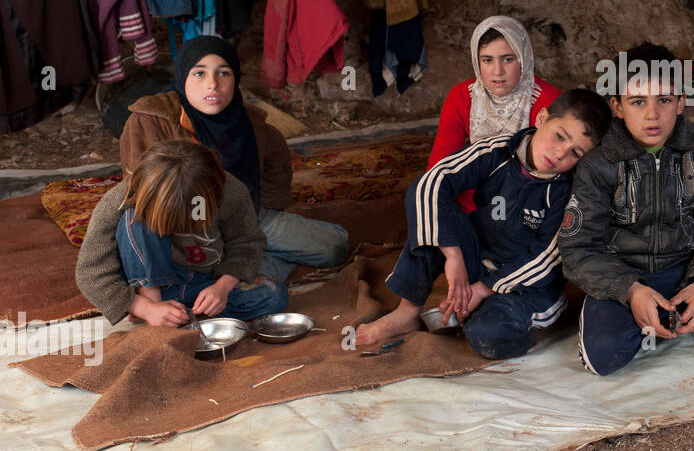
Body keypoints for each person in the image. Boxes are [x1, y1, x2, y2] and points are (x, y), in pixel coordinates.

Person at [559, 43, 694, 375]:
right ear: (617, 106)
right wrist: (629, 291)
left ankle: (684, 311)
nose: (652, 114)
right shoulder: (597, 165)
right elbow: (578, 247)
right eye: (637, 102)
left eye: (664, 99)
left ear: (681, 101)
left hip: (688, 269)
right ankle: (654, 311)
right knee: (600, 357)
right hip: (626, 276)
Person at [356, 89, 612, 358]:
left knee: (489, 333)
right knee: (435, 216)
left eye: (576, 153)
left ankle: (504, 318)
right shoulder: (497, 151)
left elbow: (547, 258)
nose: (560, 153)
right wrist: (453, 256)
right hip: (477, 260)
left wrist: (484, 289)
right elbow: (430, 183)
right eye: (559, 136)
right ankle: (406, 313)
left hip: (525, 285)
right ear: (542, 117)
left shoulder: (569, 191)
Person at [119, 35, 349, 284]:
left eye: (224, 73)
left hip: (245, 217)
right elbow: (140, 192)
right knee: (164, 256)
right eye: (199, 73)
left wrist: (260, 212)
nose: (212, 85)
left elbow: (276, 166)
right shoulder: (151, 120)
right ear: (183, 76)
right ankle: (240, 268)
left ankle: (239, 267)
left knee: (334, 246)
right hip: (184, 225)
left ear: (235, 79)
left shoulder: (250, 122)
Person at [75, 140, 287, 326]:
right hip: (153, 283)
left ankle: (179, 315)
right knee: (134, 219)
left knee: (274, 295)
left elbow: (247, 244)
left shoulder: (229, 190)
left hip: (206, 281)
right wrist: (145, 308)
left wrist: (222, 288)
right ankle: (156, 308)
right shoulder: (122, 198)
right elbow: (90, 272)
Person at [426, 15, 561, 211]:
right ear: (476, 61)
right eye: (487, 60)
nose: (498, 71)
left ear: (523, 58)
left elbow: (556, 170)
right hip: (469, 203)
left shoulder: (549, 101)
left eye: (508, 59)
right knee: (422, 200)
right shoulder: (462, 97)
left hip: (525, 205)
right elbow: (439, 166)